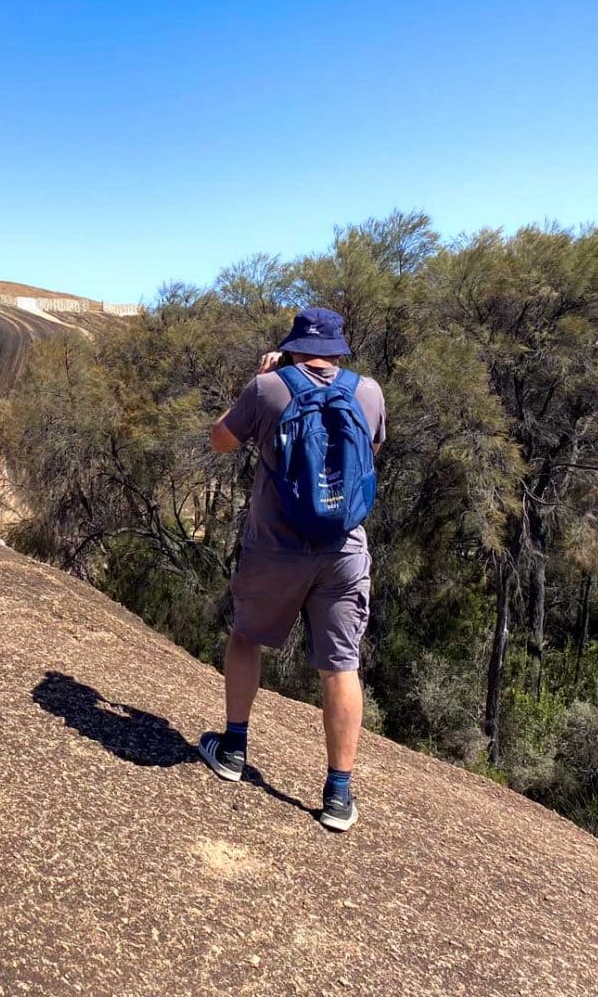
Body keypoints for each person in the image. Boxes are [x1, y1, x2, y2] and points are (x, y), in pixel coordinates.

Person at [198, 307, 385, 831]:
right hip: (343, 550)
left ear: (293, 345)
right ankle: (338, 796)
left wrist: (259, 384)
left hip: (276, 547)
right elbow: (368, 454)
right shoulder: (367, 391)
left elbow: (220, 440)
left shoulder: (270, 389)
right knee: (341, 666)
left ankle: (233, 750)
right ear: (337, 350)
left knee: (245, 637)